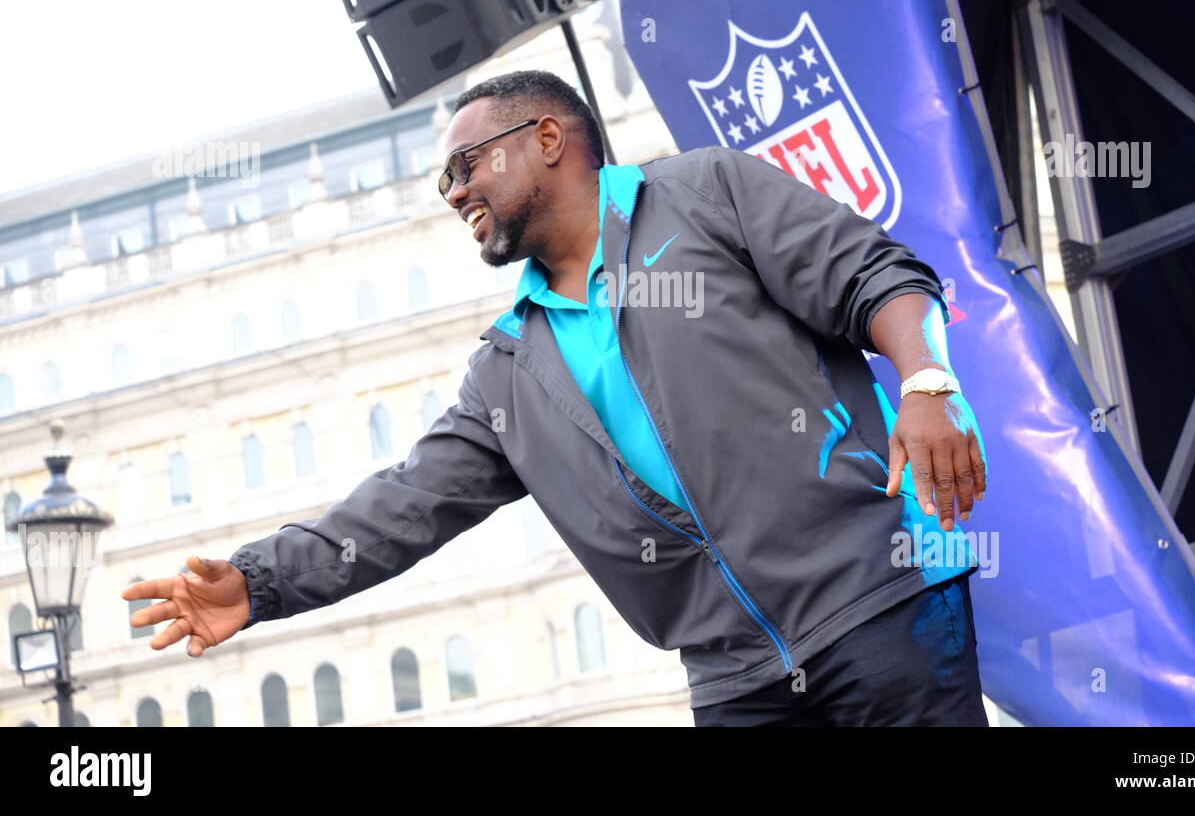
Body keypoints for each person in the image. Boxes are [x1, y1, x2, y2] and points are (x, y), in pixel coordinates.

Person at [123, 69, 990, 726]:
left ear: (547, 139)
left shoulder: (705, 194)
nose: (455, 191)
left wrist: (925, 380)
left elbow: (878, 275)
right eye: (444, 181)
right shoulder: (508, 367)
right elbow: (402, 505)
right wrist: (260, 582)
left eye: (466, 164)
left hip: (881, 603)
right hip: (736, 681)